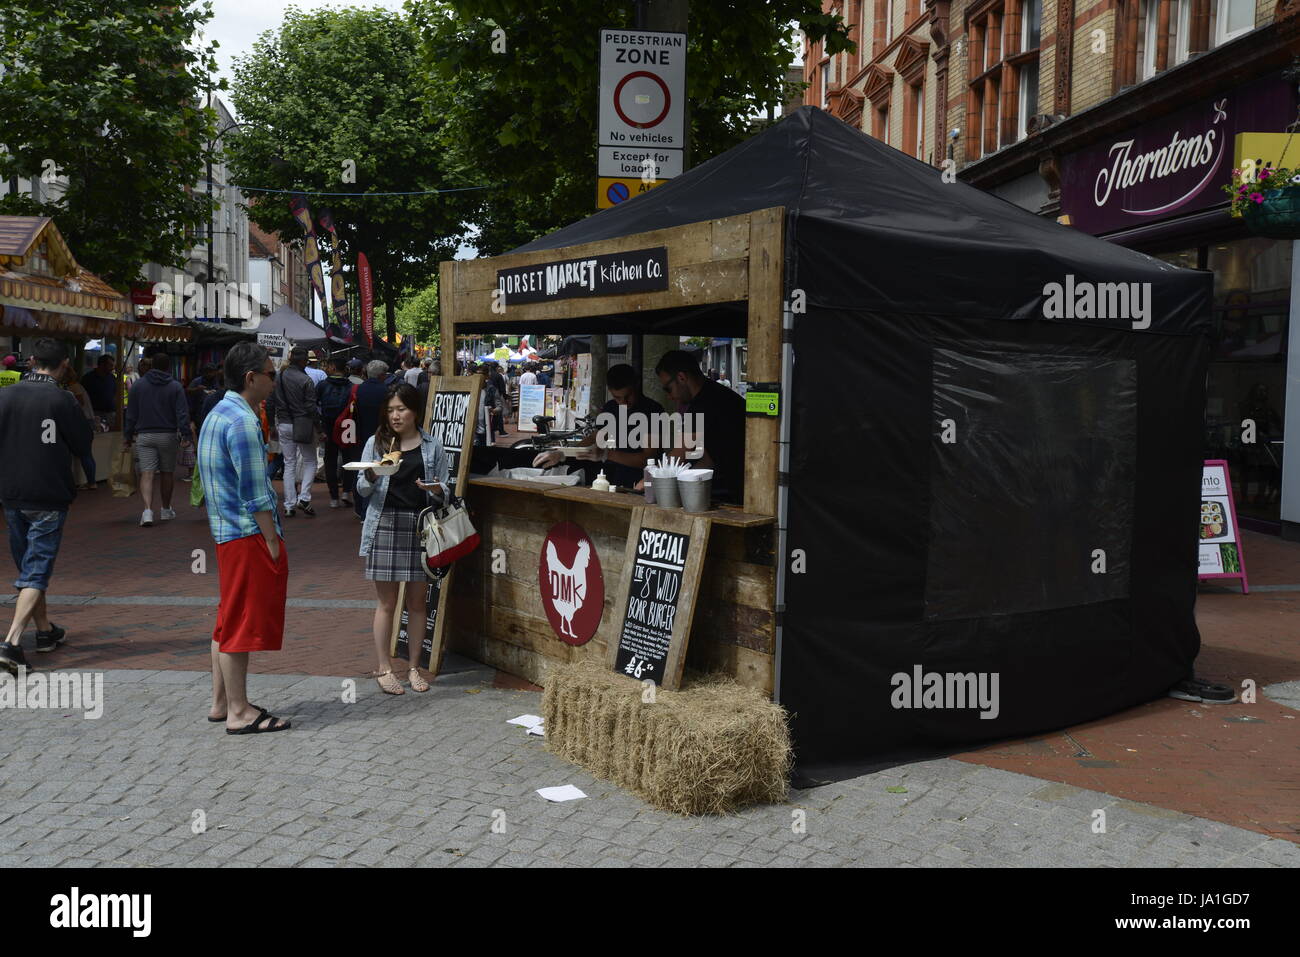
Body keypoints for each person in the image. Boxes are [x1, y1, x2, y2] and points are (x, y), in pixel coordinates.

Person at [196, 341, 291, 734]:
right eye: (271, 374)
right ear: (251, 378)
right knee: (240, 624)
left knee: (227, 620)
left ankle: (223, 703)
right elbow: (255, 491)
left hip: (226, 532)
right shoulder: (243, 421)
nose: (274, 381)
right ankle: (239, 712)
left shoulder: (218, 412)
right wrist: (271, 540)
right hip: (245, 534)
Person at [0, 338, 94, 675]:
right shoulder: (62, 398)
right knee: (36, 570)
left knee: (28, 568)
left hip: (11, 492)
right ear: (64, 364)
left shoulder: (5, 395)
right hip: (49, 493)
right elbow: (83, 443)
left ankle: (44, 632)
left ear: (32, 361)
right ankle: (12, 642)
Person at [355, 383, 448, 695]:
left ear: (415, 411)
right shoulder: (377, 443)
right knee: (387, 603)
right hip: (384, 525)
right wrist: (373, 472)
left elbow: (446, 490)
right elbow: (362, 489)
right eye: (391, 410)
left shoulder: (432, 446)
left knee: (417, 603)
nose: (395, 416)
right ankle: (384, 668)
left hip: (420, 527)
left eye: (401, 409)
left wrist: (434, 489)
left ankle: (413, 668)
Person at [533, 363, 663, 488]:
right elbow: (594, 438)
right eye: (617, 397)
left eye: (628, 396)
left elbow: (648, 459)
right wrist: (563, 453)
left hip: (645, 481)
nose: (624, 402)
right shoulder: (611, 408)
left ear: (636, 385)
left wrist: (606, 454)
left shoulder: (652, 410)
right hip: (617, 478)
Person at [654, 349, 747, 504]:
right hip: (735, 489)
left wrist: (650, 479)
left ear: (681, 378)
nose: (669, 397)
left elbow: (680, 453)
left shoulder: (703, 404)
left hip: (732, 494)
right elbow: (709, 457)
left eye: (668, 389)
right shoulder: (718, 394)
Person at [124, 352, 191, 526]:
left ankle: (147, 511)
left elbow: (131, 414)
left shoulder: (138, 386)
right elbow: (182, 413)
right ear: (168, 366)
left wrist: (127, 435)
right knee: (167, 473)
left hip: (144, 435)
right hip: (168, 435)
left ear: (152, 365)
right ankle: (166, 509)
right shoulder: (175, 387)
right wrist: (186, 434)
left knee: (147, 473)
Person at [269, 346, 320, 518]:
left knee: (288, 463)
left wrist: (271, 425)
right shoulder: (306, 380)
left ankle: (289, 504)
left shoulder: (278, 376)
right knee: (310, 460)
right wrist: (319, 427)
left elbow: (270, 402)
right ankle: (304, 497)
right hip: (303, 423)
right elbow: (311, 407)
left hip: (283, 424)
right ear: (303, 360)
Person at [353, 360, 390, 519]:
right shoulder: (386, 391)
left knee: (362, 473)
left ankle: (360, 509)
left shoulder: (358, 389)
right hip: (380, 437)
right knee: (379, 473)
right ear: (382, 375)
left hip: (360, 436)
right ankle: (369, 510)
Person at [317, 356, 356, 509]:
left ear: (333, 367)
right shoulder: (351, 386)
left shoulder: (322, 385)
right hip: (347, 426)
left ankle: (334, 497)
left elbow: (314, 405)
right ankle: (346, 491)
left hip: (328, 427)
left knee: (330, 460)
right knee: (348, 459)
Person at [60, 366, 99, 490]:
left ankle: (91, 482)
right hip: (87, 421)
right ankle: (91, 481)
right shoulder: (77, 386)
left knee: (84, 454)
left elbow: (79, 403)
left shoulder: (73, 388)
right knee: (86, 453)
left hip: (82, 422)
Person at [81, 353, 118, 418]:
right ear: (102, 365)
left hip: (111, 414)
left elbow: (115, 394)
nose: (113, 368)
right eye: (111, 365)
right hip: (95, 414)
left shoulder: (112, 378)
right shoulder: (88, 378)